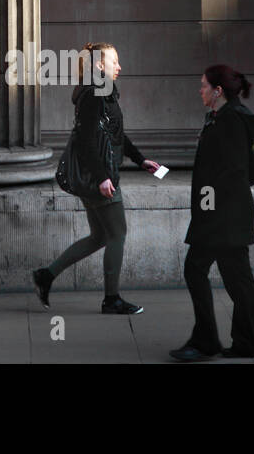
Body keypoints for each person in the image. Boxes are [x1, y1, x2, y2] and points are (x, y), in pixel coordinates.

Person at [32, 43, 161, 315]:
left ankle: (46, 275)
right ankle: (111, 299)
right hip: (101, 178)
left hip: (99, 176)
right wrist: (102, 177)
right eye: (114, 61)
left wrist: (140, 160)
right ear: (100, 66)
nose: (119, 67)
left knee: (100, 236)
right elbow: (87, 140)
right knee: (118, 233)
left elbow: (114, 133)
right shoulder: (94, 94)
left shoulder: (101, 92)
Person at [169, 65, 254, 362]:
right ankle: (247, 342)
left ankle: (206, 341)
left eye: (203, 85)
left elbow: (228, 174)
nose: (200, 90)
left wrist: (207, 213)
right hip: (225, 215)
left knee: (196, 270)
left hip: (221, 216)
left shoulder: (230, 121)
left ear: (217, 90)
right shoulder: (222, 118)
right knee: (238, 278)